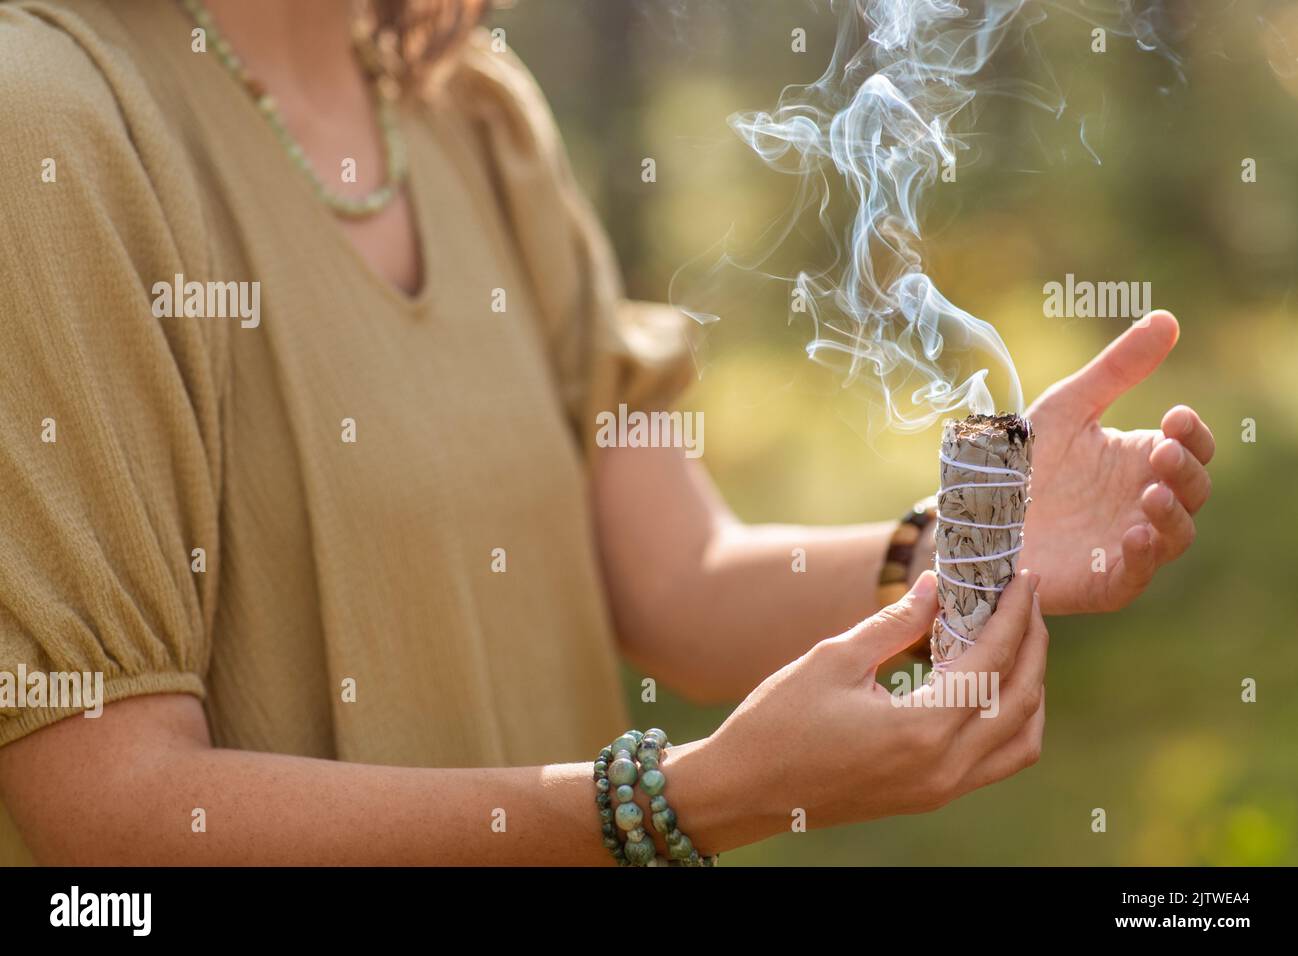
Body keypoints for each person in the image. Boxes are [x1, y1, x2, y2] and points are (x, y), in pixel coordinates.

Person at [0, 0, 1213, 866]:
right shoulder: (47, 123)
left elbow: (674, 574)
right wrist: (675, 801)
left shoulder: (475, 113)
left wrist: (949, 547)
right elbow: (111, 809)